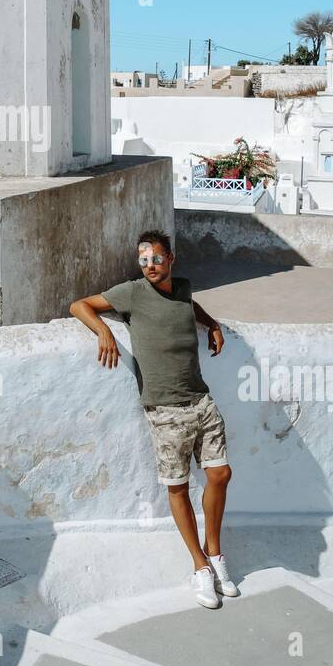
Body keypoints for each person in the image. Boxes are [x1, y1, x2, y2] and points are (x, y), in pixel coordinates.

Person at [69, 229, 238, 609]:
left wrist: (211, 323)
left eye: (157, 259)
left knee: (220, 474)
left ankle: (216, 554)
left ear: (171, 258)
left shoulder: (183, 287)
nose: (150, 266)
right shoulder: (131, 293)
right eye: (144, 260)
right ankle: (200, 567)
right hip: (164, 410)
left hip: (201, 399)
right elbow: (79, 305)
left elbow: (188, 307)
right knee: (177, 486)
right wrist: (104, 333)